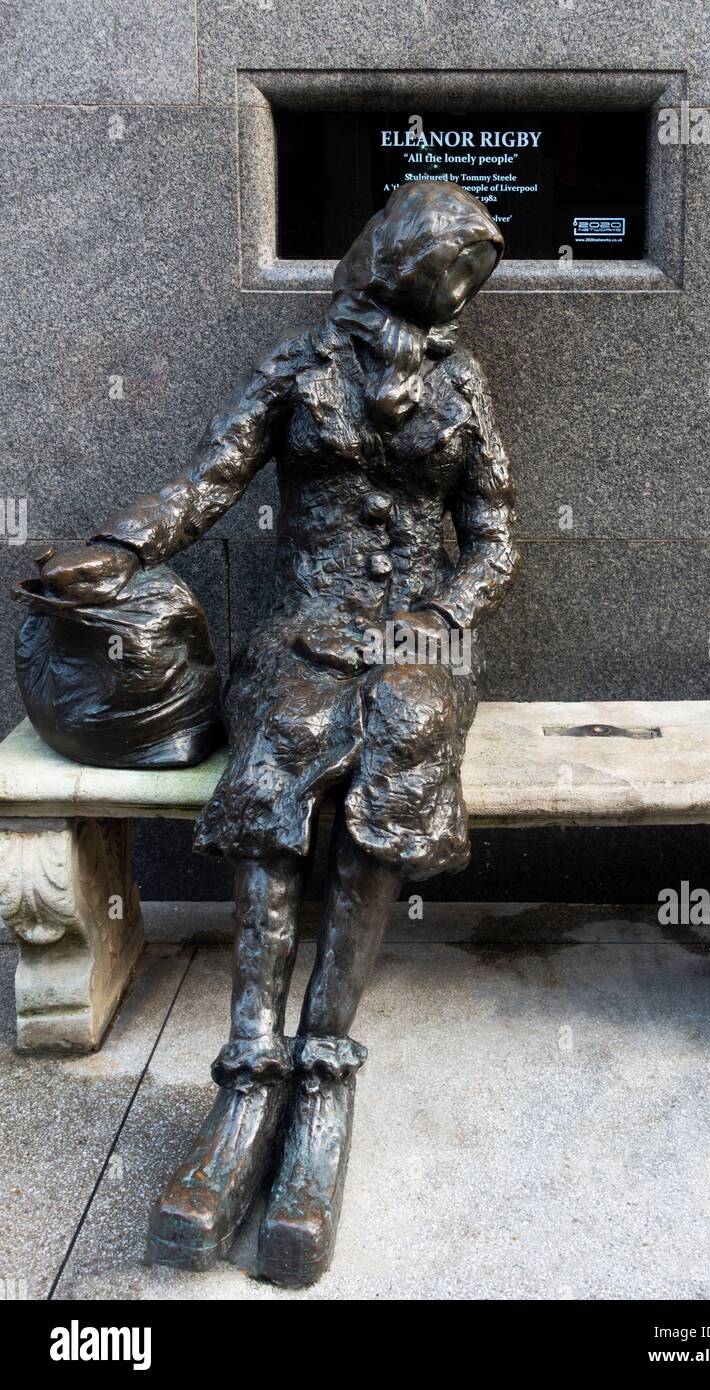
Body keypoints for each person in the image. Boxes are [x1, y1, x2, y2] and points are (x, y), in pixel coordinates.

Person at [39, 180, 521, 1284]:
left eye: (469, 279)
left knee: (397, 744)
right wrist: (122, 544)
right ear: (387, 255)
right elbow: (206, 479)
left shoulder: (462, 383)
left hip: (420, 635)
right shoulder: (298, 369)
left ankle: (323, 1068)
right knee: (280, 754)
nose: (454, 292)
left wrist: (443, 613)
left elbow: (495, 533)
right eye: (440, 265)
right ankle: (248, 1070)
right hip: (304, 622)